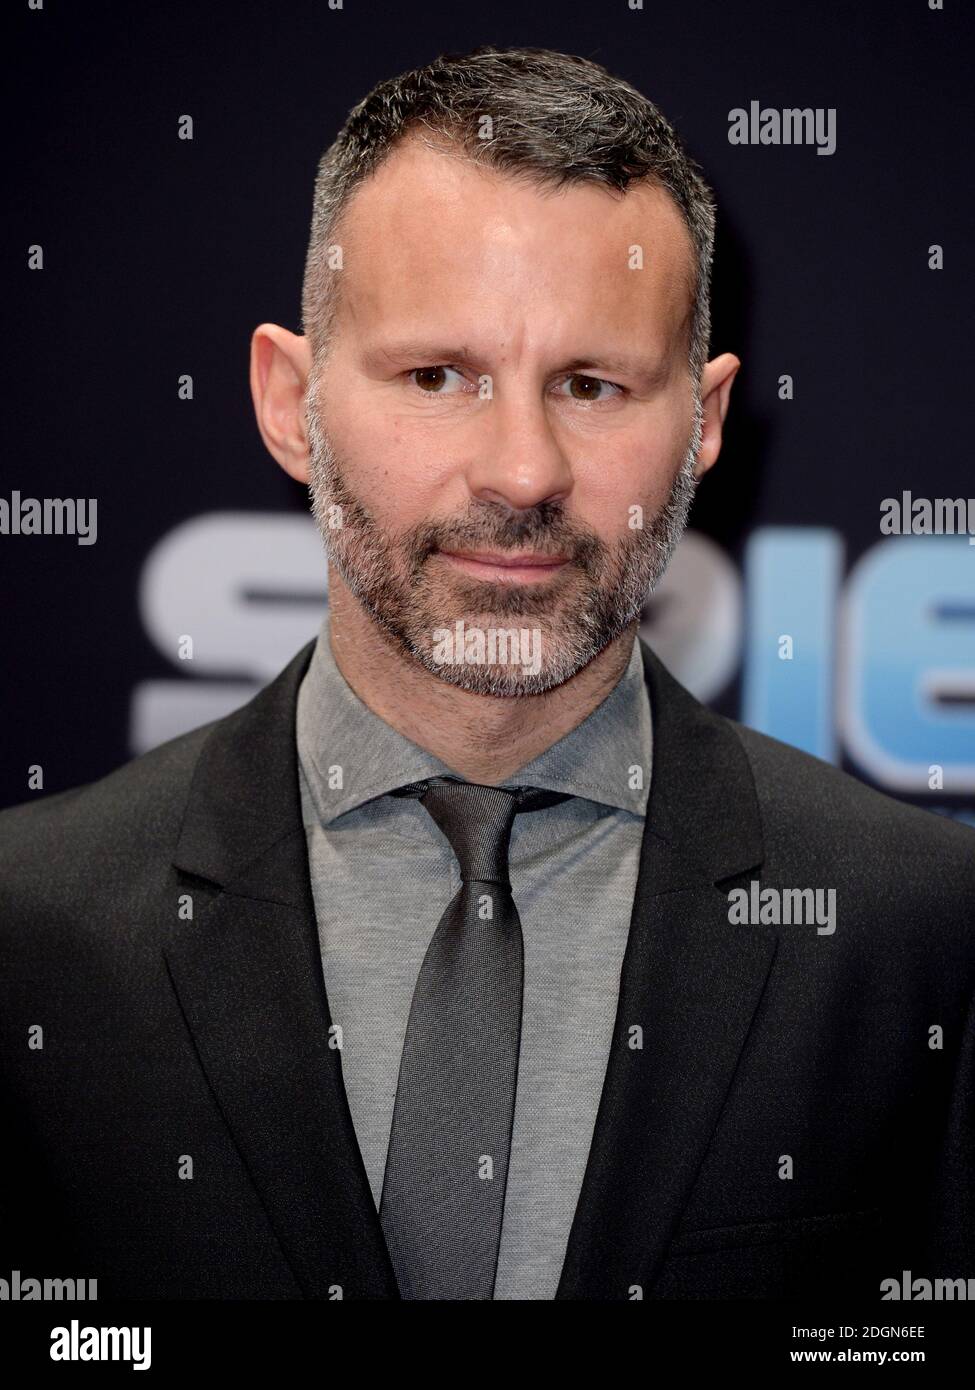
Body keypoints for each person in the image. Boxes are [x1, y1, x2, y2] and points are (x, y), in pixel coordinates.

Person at [1, 45, 972, 1302]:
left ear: (706, 421)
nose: (523, 471)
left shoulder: (920, 935)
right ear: (291, 403)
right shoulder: (28, 932)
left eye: (591, 383)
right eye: (437, 377)